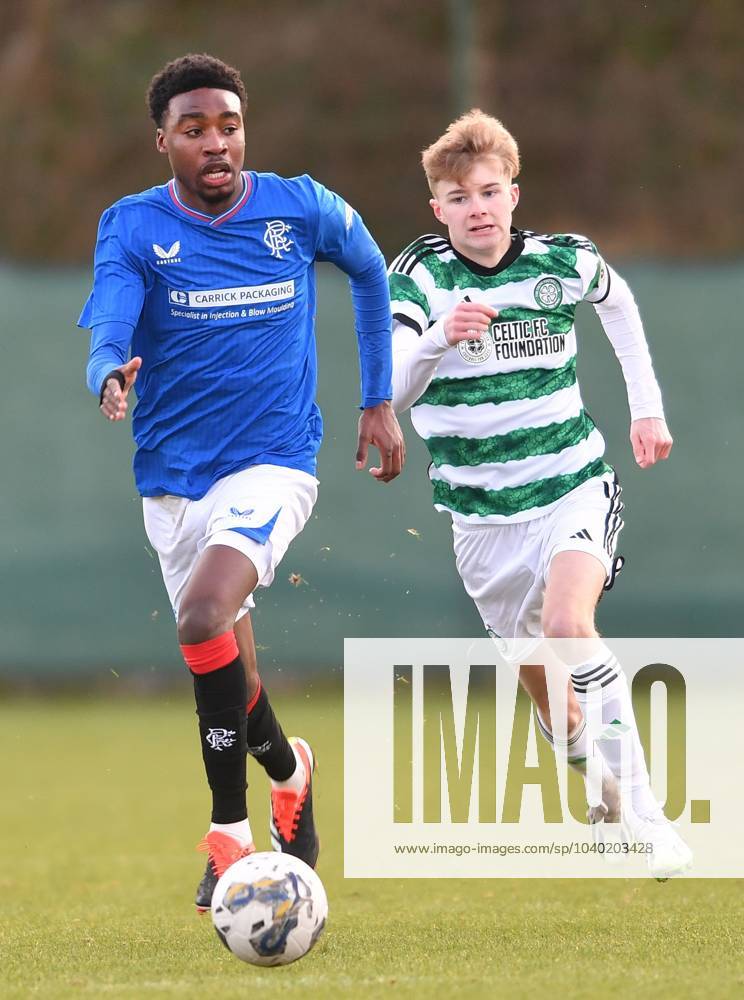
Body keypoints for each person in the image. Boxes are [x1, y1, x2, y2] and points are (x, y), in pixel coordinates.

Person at [79, 53, 405, 911]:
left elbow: (371, 271)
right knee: (223, 663)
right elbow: (110, 314)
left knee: (200, 615)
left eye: (228, 125)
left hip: (275, 462)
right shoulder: (132, 225)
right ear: (164, 142)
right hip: (173, 482)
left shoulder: (299, 207)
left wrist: (378, 398)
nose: (216, 142)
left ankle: (229, 835)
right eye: (194, 129)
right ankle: (289, 771)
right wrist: (109, 368)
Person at [388, 109, 691, 879]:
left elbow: (616, 302)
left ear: (514, 194)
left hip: (571, 485)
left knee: (567, 622)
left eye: (490, 192)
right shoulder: (420, 279)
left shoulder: (562, 260)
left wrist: (646, 406)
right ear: (438, 209)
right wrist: (437, 337)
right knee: (546, 690)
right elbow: (387, 392)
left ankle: (654, 822)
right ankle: (603, 783)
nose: (478, 208)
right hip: (481, 520)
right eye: (459, 198)